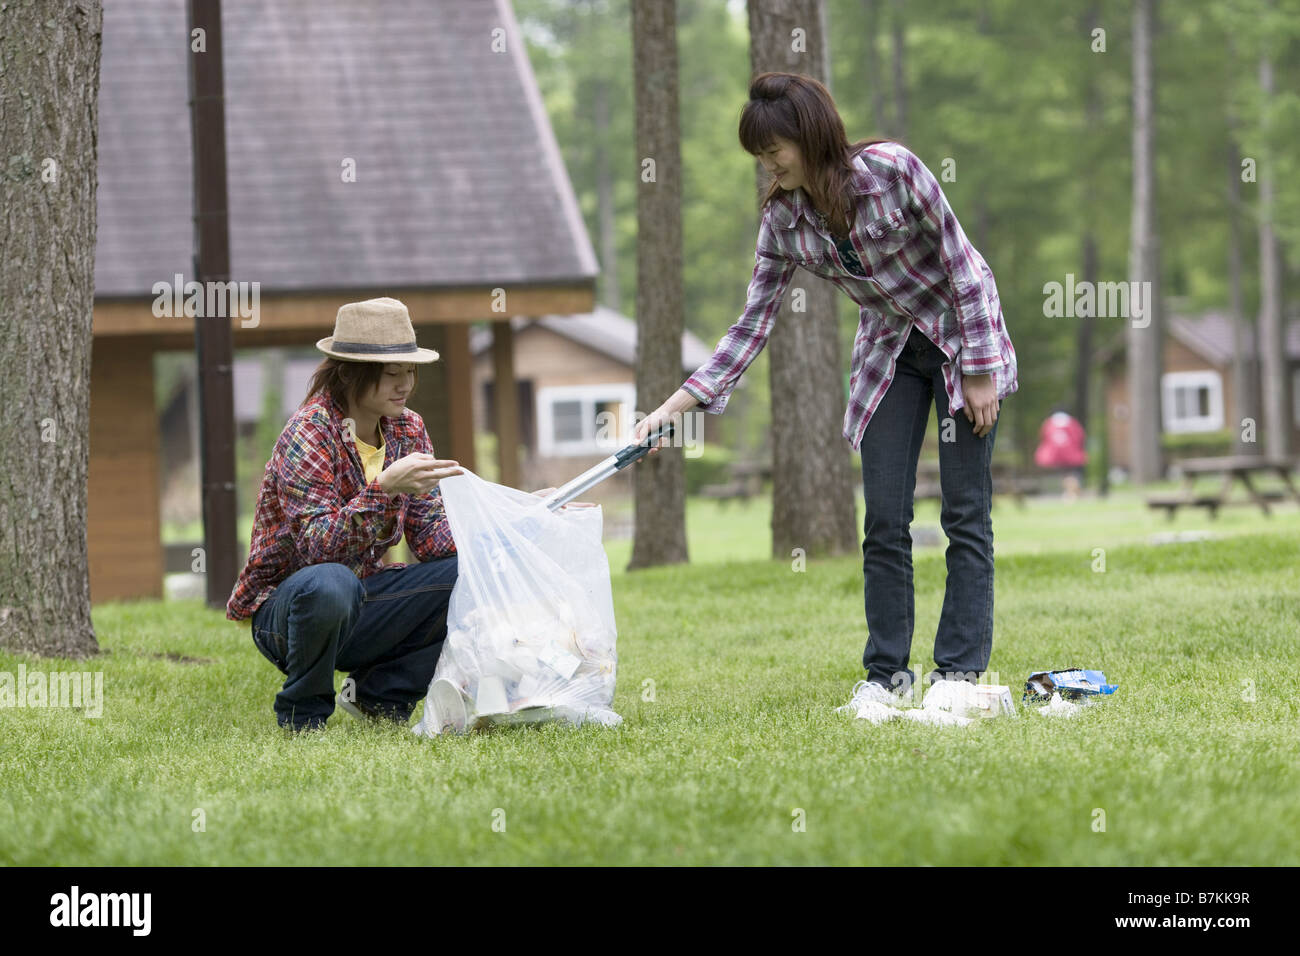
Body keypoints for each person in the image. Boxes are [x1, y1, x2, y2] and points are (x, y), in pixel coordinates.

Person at [633, 72, 1018, 711]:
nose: (768, 165)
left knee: (964, 513)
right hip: (890, 353)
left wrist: (979, 370)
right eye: (759, 156)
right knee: (886, 519)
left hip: (959, 342)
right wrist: (670, 411)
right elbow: (750, 326)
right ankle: (887, 680)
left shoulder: (892, 171)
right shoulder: (784, 220)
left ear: (809, 135)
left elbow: (963, 264)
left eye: (774, 149)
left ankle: (957, 678)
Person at [226, 297, 466, 732]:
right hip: (289, 610)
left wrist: (517, 516)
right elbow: (318, 547)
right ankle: (303, 714)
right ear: (351, 373)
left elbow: (432, 541)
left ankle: (381, 696)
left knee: (469, 573)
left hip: (362, 599)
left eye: (410, 370)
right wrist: (384, 489)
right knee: (332, 581)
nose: (405, 384)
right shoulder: (309, 433)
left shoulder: (408, 428)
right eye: (391, 373)